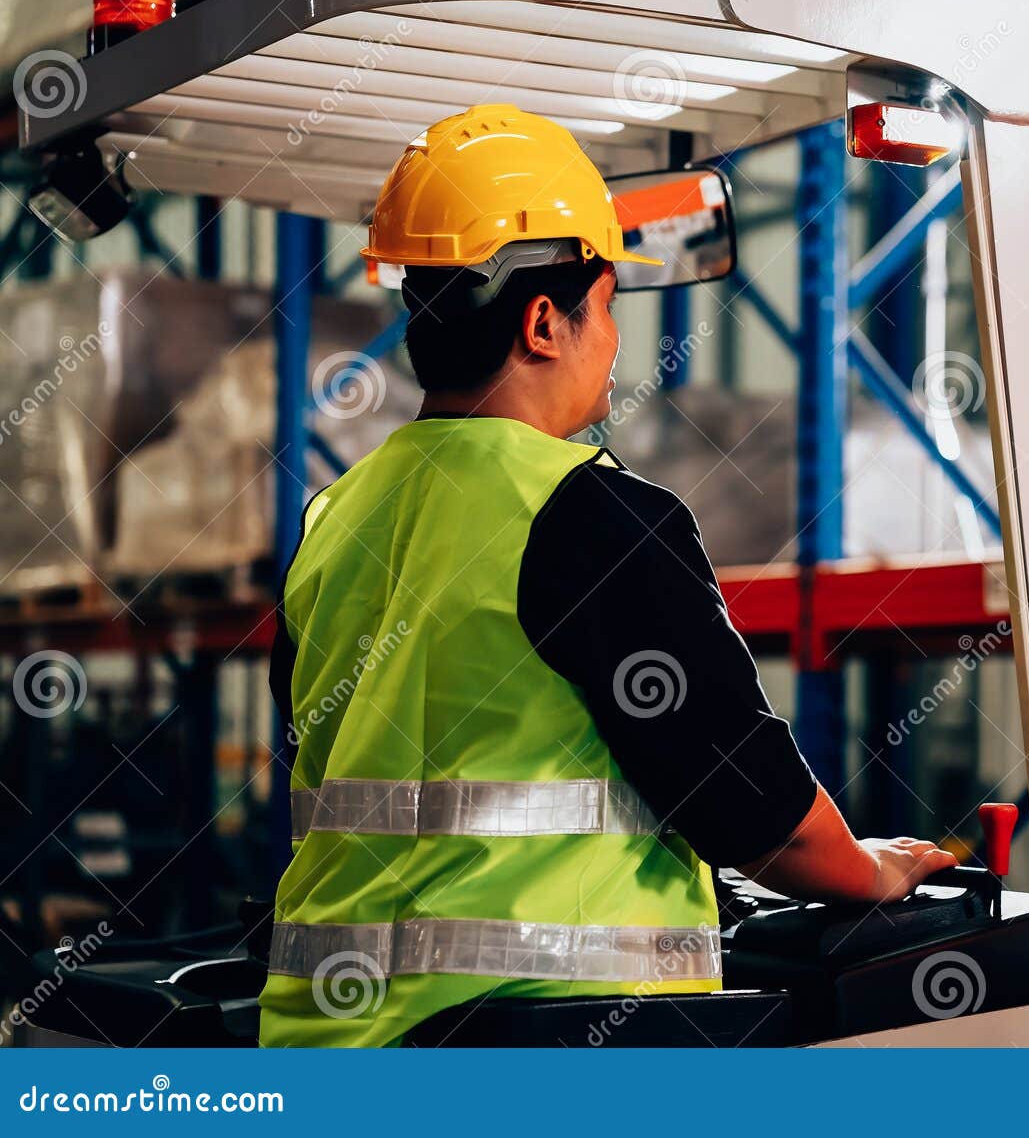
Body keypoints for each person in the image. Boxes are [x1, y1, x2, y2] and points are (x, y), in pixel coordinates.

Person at [257, 105, 956, 1047]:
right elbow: (748, 798)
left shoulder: (332, 520)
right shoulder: (590, 515)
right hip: (541, 1047)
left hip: (323, 1044)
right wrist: (868, 869)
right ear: (546, 322)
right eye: (611, 305)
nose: (615, 339)